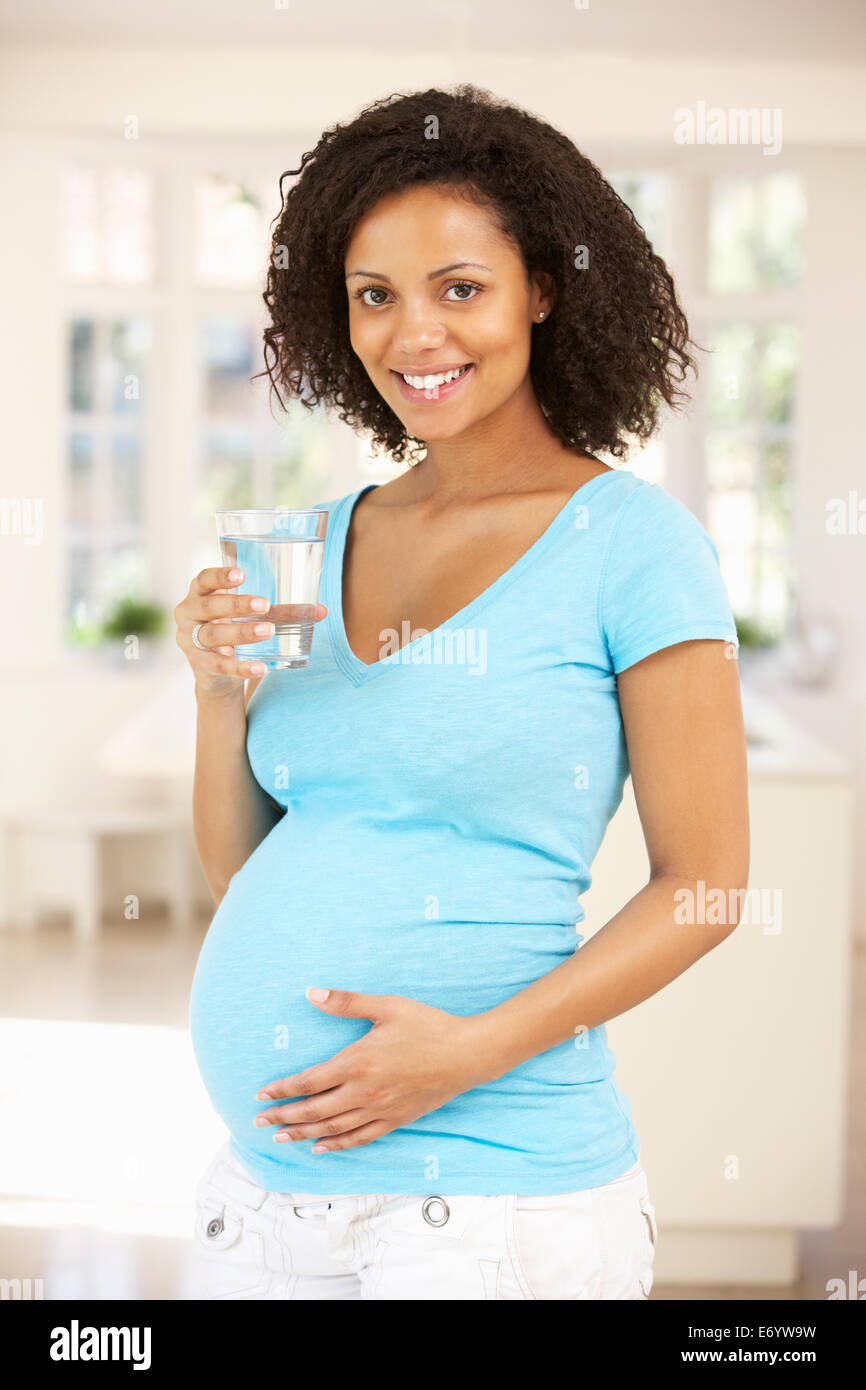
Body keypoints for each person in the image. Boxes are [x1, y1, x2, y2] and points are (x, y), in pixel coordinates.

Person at [175, 84, 748, 1300]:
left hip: (489, 1200)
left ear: (542, 288)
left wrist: (463, 1054)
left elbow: (705, 888)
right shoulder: (309, 538)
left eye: (459, 287)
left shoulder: (630, 545)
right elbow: (242, 875)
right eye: (373, 295)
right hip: (262, 1202)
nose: (412, 334)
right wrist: (214, 688)